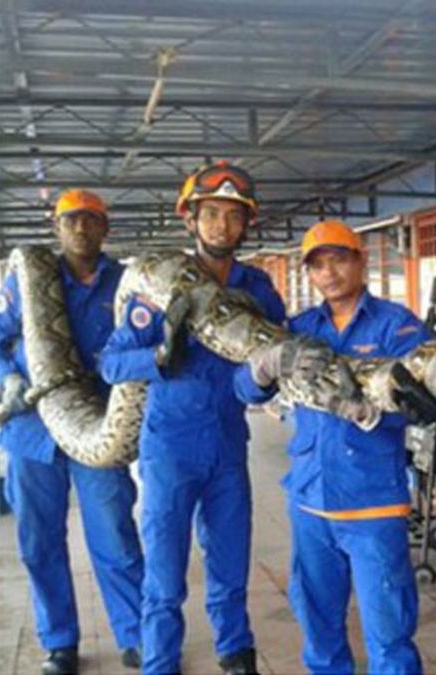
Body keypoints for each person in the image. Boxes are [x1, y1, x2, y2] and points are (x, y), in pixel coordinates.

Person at [100, 163, 287, 675]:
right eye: (211, 215)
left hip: (228, 440)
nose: (221, 226)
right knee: (164, 569)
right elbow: (111, 362)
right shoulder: (157, 286)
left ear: (246, 224)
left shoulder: (260, 290)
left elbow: (257, 376)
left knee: (230, 559)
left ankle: (235, 652)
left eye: (232, 216)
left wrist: (263, 378)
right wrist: (158, 359)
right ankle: (160, 661)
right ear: (190, 220)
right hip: (168, 447)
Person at [233, 220, 436, 673]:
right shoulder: (298, 329)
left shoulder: (398, 327)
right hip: (310, 501)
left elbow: (428, 405)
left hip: (373, 505)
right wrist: (262, 369)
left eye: (339, 259)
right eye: (318, 265)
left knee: (389, 636)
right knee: (319, 630)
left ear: (360, 261)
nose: (329, 273)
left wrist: (369, 412)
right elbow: (245, 392)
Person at [0, 189, 143, 674]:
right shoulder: (27, 277)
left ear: (106, 227)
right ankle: (59, 642)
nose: (81, 228)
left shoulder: (125, 282)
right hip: (31, 430)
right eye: (71, 221)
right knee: (39, 542)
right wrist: (7, 378)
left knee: (115, 535)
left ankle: (136, 634)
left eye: (91, 220)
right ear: (57, 228)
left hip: (96, 425)